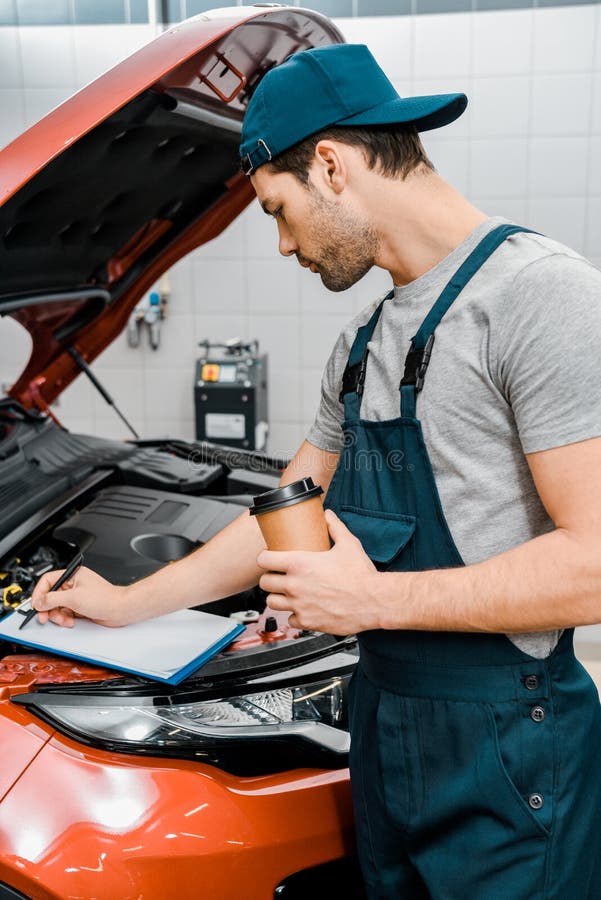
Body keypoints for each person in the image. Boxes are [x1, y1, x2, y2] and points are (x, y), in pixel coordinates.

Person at [32, 44, 601, 898]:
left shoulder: (537, 298)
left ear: (330, 166)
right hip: (387, 733)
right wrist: (122, 604)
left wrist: (371, 602)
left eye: (275, 210)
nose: (283, 243)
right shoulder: (362, 341)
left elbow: (593, 563)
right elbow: (284, 512)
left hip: (511, 754)